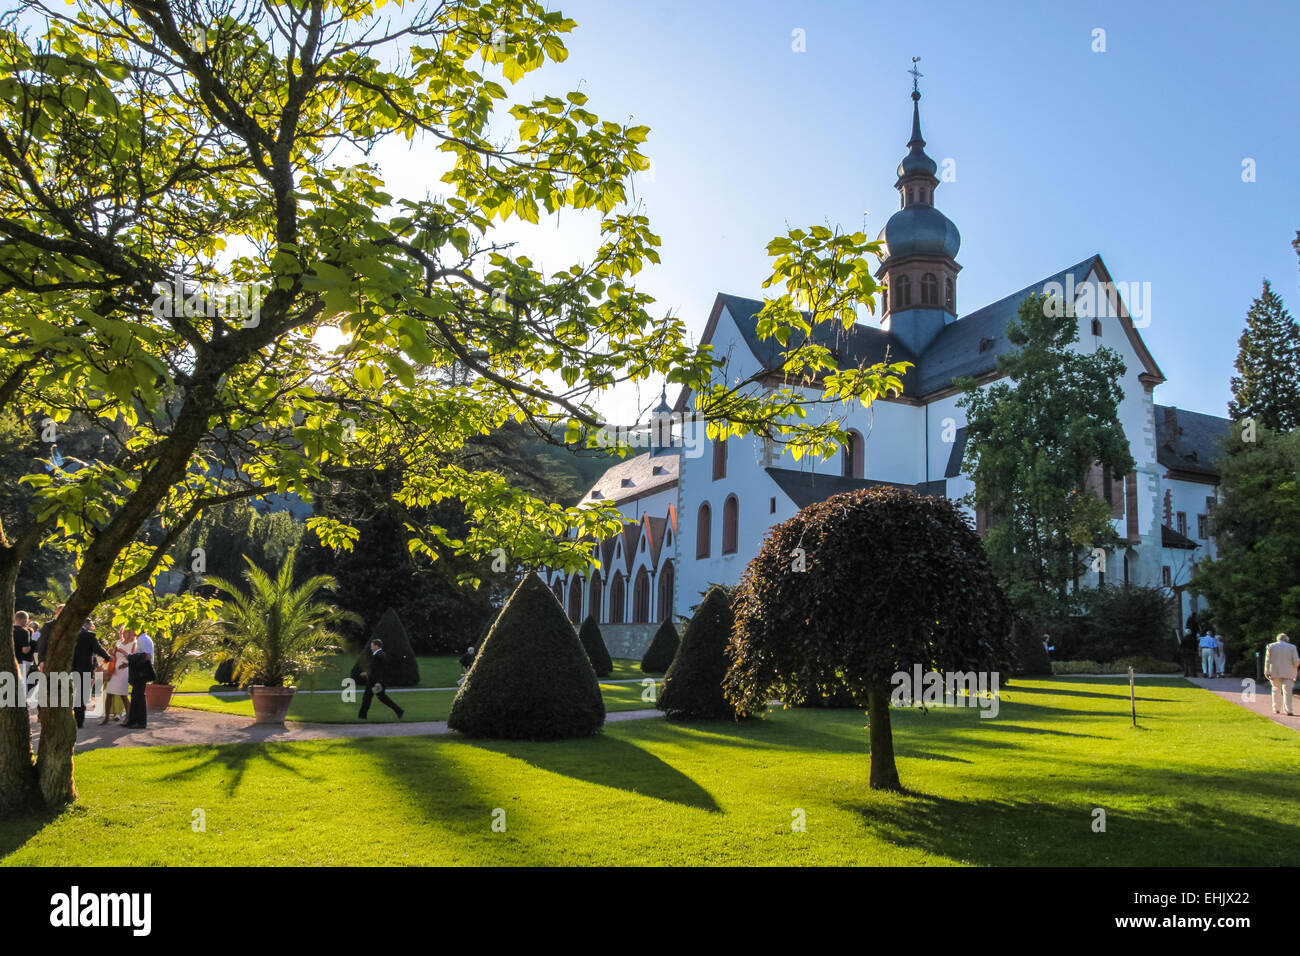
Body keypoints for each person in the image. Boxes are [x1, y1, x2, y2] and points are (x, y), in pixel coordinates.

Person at [70, 621, 111, 728]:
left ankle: (74, 717)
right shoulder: (89, 635)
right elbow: (97, 649)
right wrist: (108, 657)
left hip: (72, 667)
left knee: (75, 692)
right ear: (87, 624)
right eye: (91, 624)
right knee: (82, 694)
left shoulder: (71, 632)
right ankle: (79, 720)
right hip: (85, 668)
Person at [357, 638, 404, 720]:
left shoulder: (379, 655)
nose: (371, 648)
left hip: (375, 682)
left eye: (372, 646)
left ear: (376, 646)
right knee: (382, 697)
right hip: (375, 681)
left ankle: (362, 716)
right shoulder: (380, 654)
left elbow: (381, 670)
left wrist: (378, 682)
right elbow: (376, 669)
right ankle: (399, 710)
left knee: (368, 697)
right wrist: (367, 673)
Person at [101, 627, 136, 725]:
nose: (123, 633)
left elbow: (133, 658)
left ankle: (128, 717)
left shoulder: (133, 644)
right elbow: (113, 657)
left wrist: (122, 651)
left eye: (125, 632)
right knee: (109, 693)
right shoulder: (118, 643)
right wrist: (112, 653)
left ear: (130, 633)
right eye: (123, 632)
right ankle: (106, 718)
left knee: (123, 695)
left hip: (124, 670)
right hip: (114, 670)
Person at [121, 630, 155, 729]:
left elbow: (147, 656)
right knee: (135, 696)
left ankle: (140, 722)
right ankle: (133, 721)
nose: (131, 631)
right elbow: (142, 656)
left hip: (141, 673)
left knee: (139, 697)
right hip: (139, 672)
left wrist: (130, 657)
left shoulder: (143, 640)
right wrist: (128, 663)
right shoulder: (142, 639)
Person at [1264, 633, 1300, 717]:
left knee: (1275, 690)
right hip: (1289, 672)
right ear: (1286, 639)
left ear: (1278, 639)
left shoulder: (1270, 646)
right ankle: (1288, 710)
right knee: (1287, 691)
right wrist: (1295, 667)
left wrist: (1267, 672)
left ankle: (1276, 708)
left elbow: (1267, 661)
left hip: (1274, 672)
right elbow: (1296, 661)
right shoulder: (1292, 647)